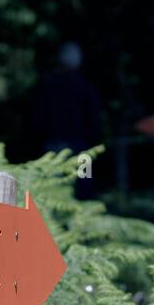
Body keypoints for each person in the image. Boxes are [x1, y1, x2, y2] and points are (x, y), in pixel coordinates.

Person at [33, 42, 102, 198]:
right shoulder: (85, 86)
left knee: (54, 191)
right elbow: (94, 121)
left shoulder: (47, 84)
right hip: (82, 148)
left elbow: (38, 120)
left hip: (54, 146)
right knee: (84, 188)